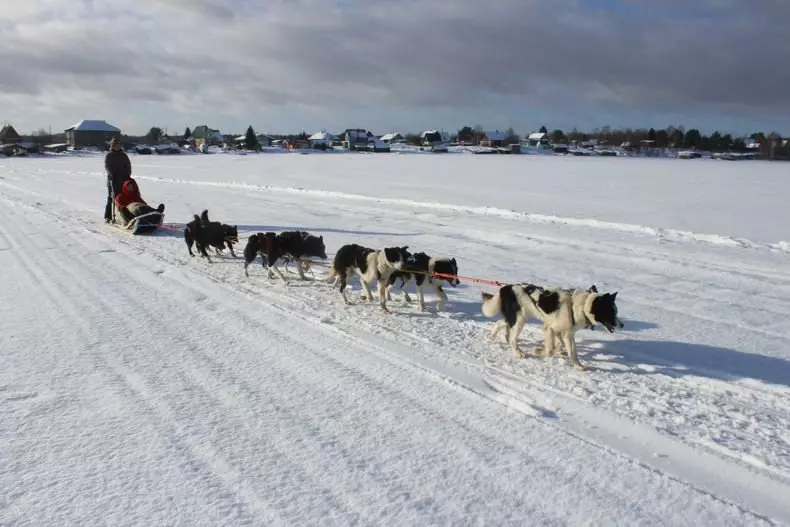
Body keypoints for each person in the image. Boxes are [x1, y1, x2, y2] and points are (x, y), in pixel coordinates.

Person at [104, 136, 132, 223]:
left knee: (124, 197)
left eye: (119, 145)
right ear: (112, 145)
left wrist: (127, 174)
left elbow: (128, 166)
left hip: (123, 179)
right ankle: (108, 216)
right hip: (113, 179)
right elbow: (107, 166)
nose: (118, 147)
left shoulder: (123, 155)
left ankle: (124, 215)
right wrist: (111, 174)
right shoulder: (109, 155)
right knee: (112, 198)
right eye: (116, 145)